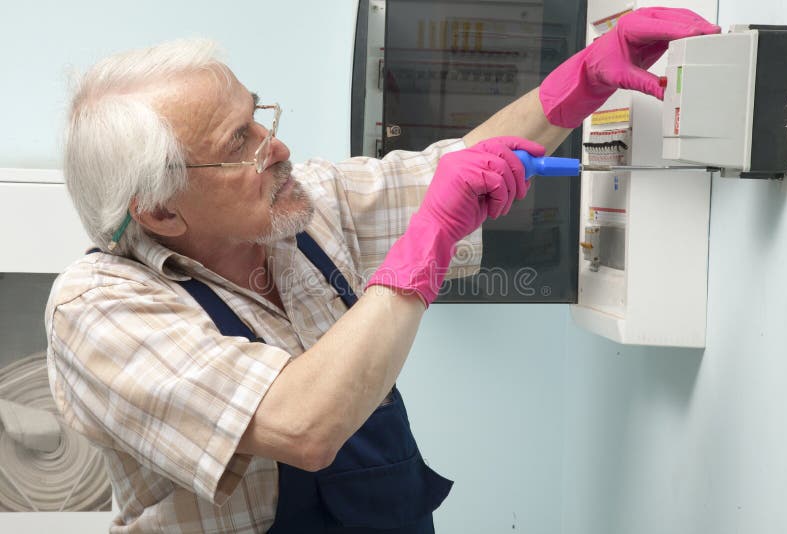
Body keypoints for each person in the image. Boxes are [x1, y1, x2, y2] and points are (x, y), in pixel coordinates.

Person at [45, 7, 719, 533]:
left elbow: (457, 170)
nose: (277, 147)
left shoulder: (299, 209)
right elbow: (305, 425)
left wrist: (580, 82)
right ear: (160, 212)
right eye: (239, 144)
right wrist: (424, 247)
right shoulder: (98, 311)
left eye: (257, 118)